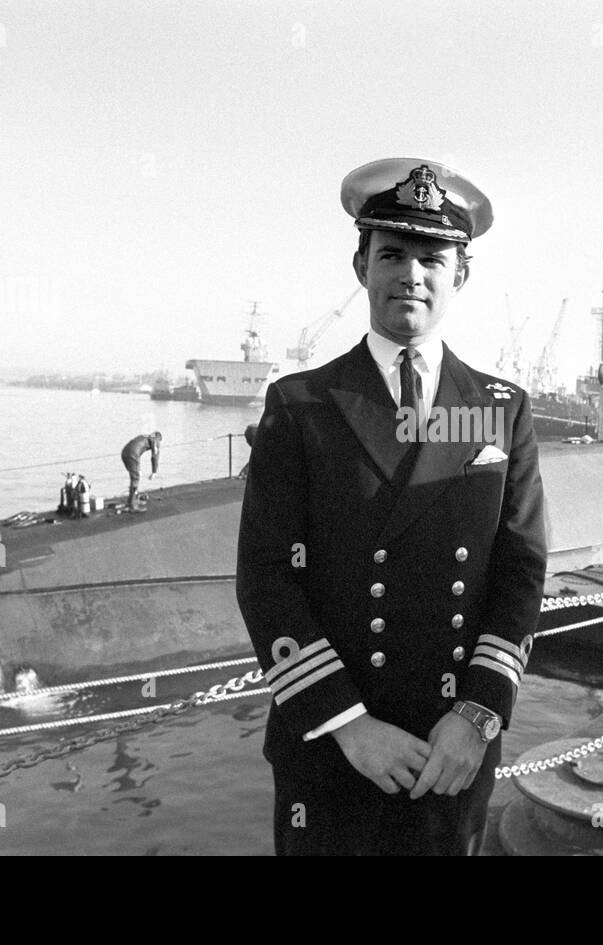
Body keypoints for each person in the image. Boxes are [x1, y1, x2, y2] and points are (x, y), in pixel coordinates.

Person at [236, 158, 547, 855]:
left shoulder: (502, 410)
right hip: (329, 750)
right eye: (393, 254)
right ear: (361, 266)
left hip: (451, 754)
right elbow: (264, 576)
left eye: (432, 258)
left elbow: (521, 570)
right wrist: (348, 722)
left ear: (460, 274)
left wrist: (478, 713)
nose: (412, 273)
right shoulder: (302, 404)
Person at [121, 431, 161, 511]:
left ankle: (131, 501)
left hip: (124, 452)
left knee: (134, 476)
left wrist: (138, 469)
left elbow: (136, 448)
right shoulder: (155, 440)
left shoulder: (144, 436)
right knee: (136, 478)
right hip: (132, 454)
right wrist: (154, 472)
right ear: (159, 438)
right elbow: (155, 456)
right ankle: (133, 506)